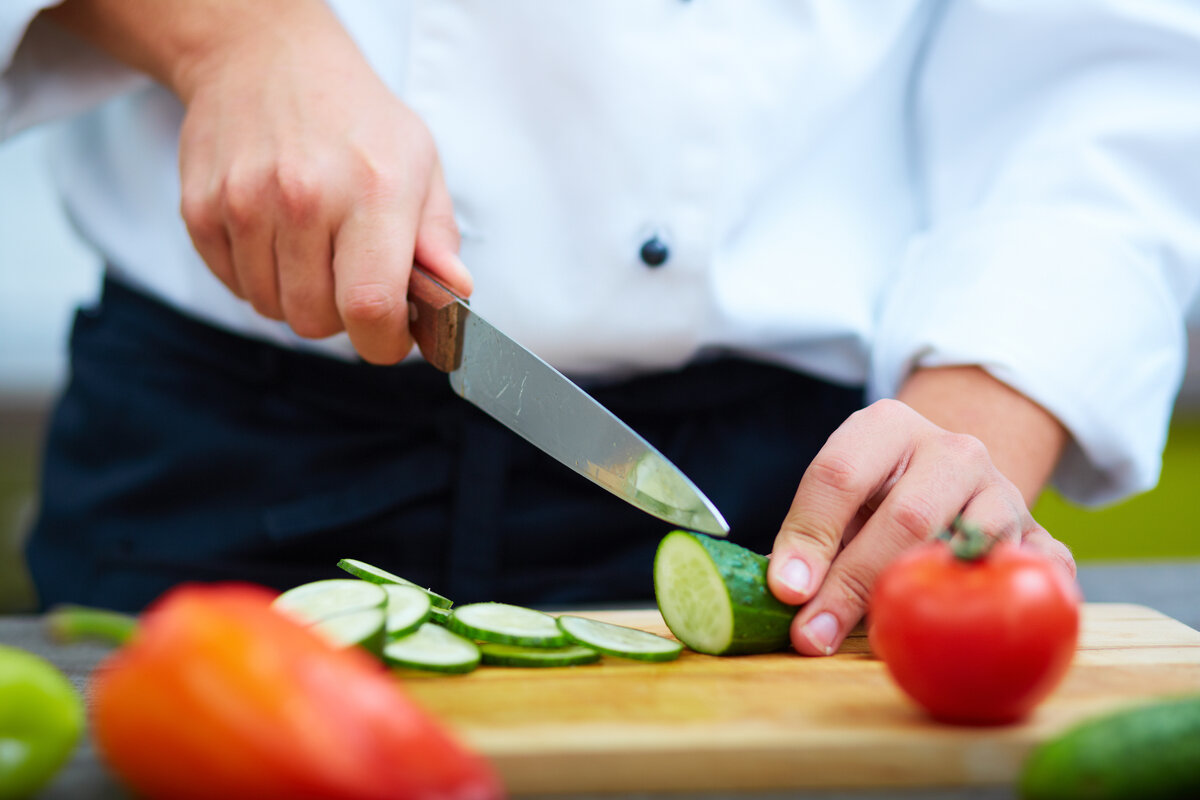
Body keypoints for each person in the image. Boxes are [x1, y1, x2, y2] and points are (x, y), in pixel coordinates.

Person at [3, 0, 1198, 658]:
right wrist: (232, 31)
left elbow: (1119, 79)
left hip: (800, 498)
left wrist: (957, 442)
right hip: (219, 449)